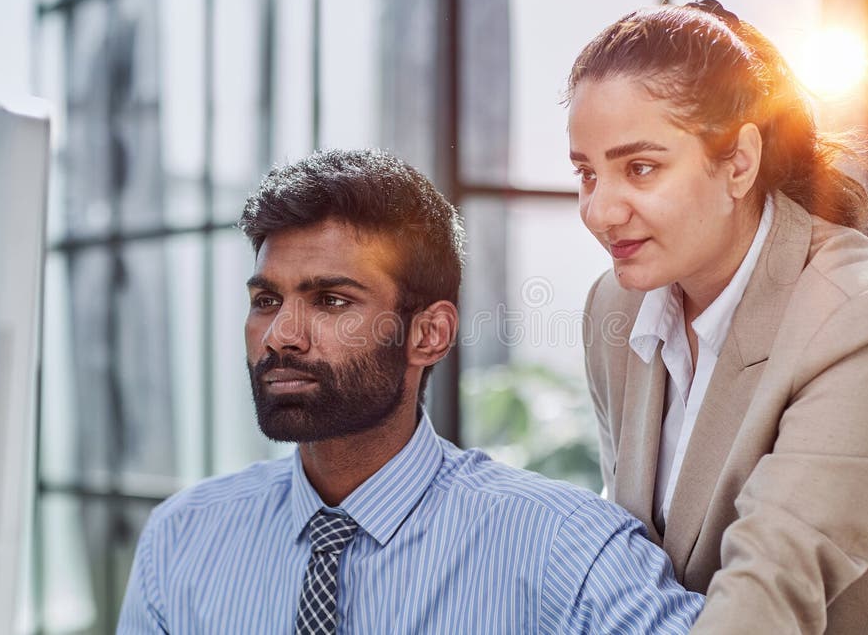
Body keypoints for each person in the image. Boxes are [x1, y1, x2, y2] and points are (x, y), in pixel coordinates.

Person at [116, 148, 703, 634]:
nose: (280, 336)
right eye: (266, 300)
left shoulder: (565, 550)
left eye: (331, 301)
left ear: (429, 334)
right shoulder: (183, 538)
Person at [567, 0, 868, 634]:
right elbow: (637, 563)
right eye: (586, 173)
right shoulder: (616, 307)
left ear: (739, 163)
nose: (600, 211)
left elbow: (771, 590)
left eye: (641, 168)